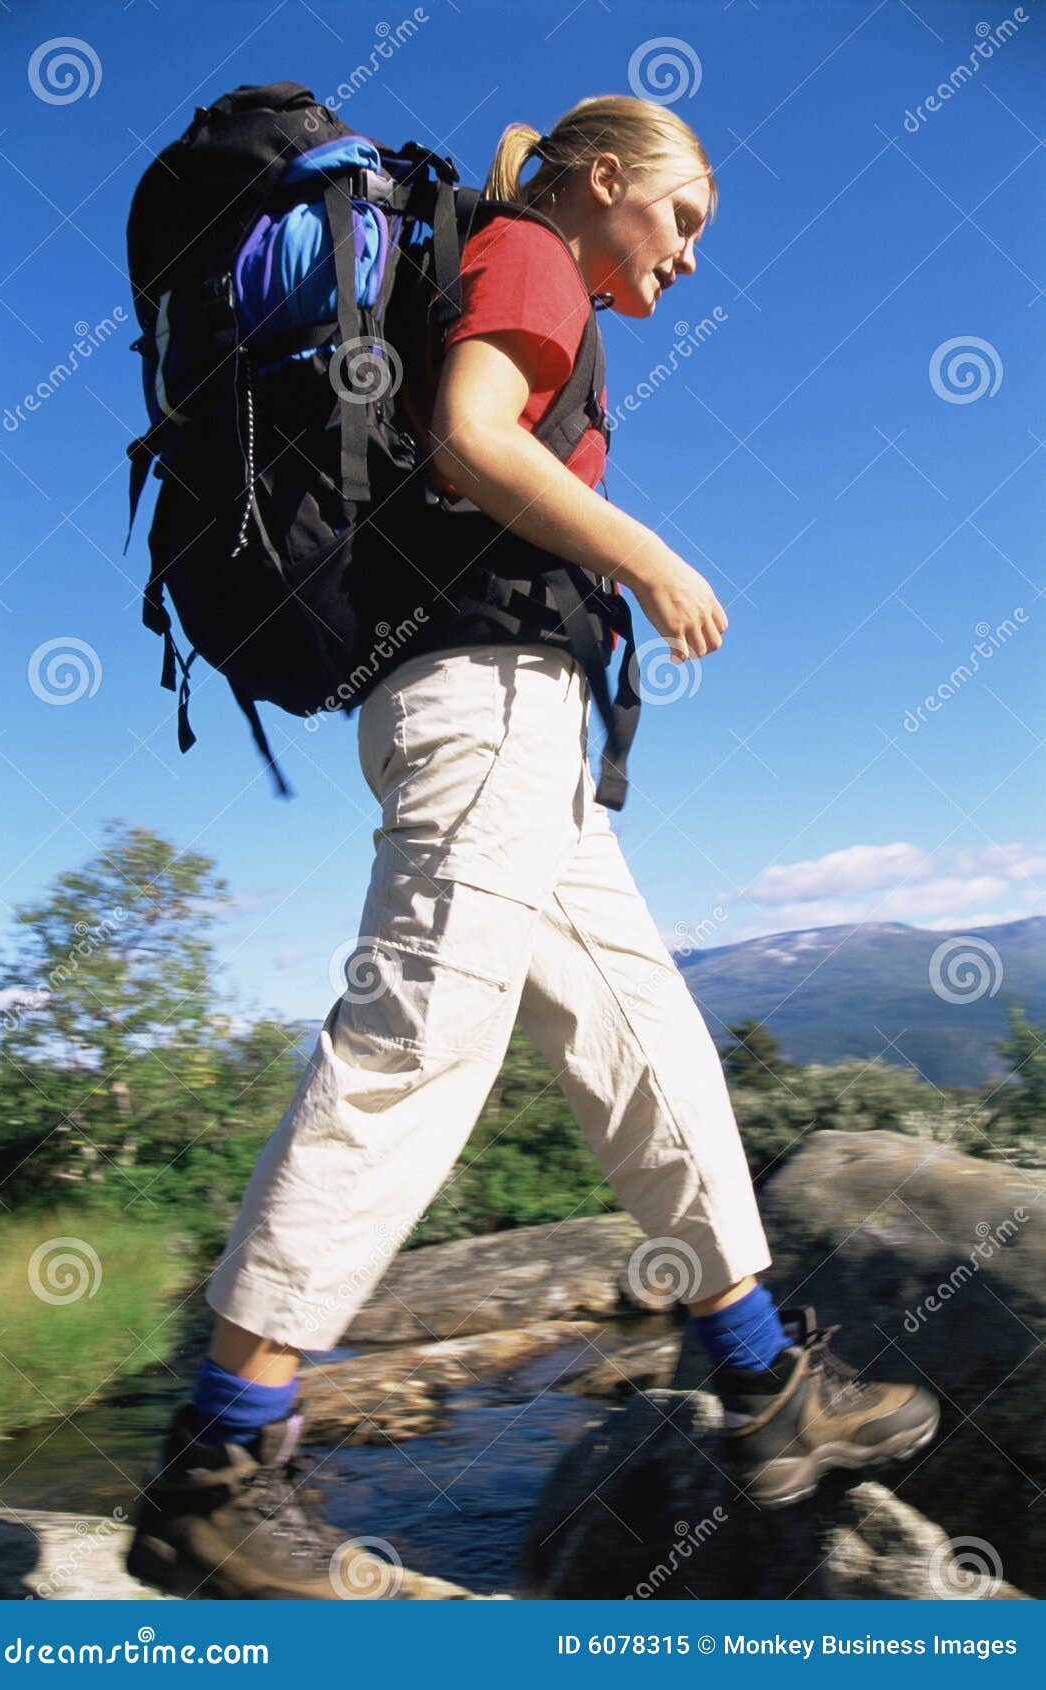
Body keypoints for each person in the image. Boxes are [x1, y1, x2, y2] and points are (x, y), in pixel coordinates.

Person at [126, 95, 938, 1600]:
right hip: (482, 702)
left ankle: (764, 1386)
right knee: (419, 1035)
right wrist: (655, 559)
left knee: (647, 1040)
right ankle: (222, 1462)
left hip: (516, 721)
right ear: (607, 182)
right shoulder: (531, 251)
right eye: (684, 218)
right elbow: (472, 441)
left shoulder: (534, 262)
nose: (691, 256)